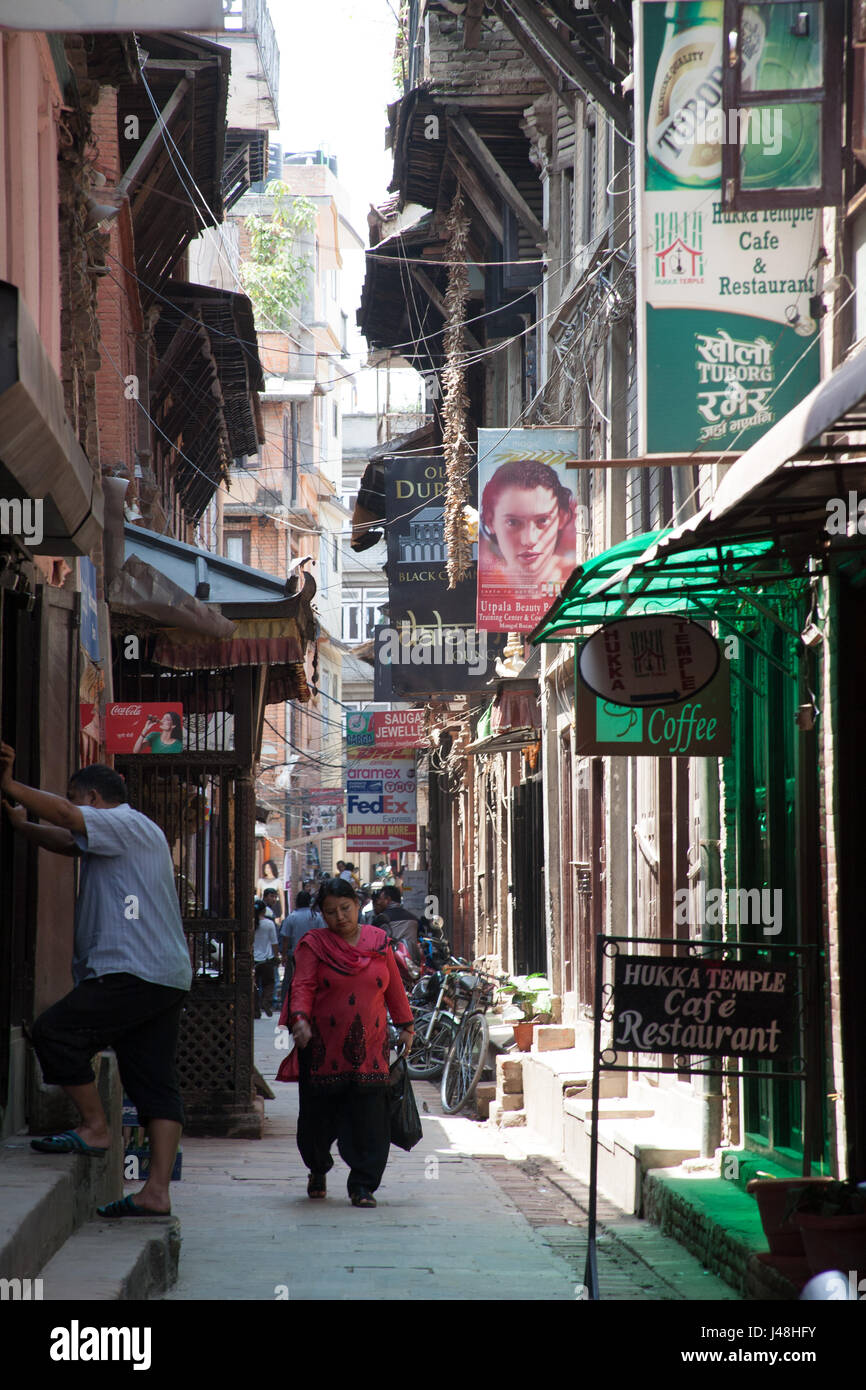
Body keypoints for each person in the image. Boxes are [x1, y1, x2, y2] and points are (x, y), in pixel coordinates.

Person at [0, 747, 190, 1218]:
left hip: (131, 969)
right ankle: (156, 1193)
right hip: (163, 975)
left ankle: (95, 1127)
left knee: (53, 1032)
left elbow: (67, 818)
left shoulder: (124, 821)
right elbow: (66, 841)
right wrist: (24, 826)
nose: (69, 808)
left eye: (74, 799)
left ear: (92, 797)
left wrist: (8, 784)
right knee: (155, 1085)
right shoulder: (132, 834)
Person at [277, 877, 414, 1208]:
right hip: (323, 1048)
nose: (340, 917)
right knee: (317, 1120)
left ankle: (363, 1185)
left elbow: (394, 986)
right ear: (322, 915)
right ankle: (318, 1167)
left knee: (370, 1119)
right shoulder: (314, 944)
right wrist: (300, 1020)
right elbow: (304, 985)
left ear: (357, 904)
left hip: (372, 1046)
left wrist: (406, 1025)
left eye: (346, 908)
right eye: (331, 912)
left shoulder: (379, 941)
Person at [479, 457, 576, 591]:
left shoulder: (580, 579)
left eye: (542, 520)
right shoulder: (488, 584)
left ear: (562, 518)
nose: (529, 540)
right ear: (490, 522)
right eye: (513, 522)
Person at [277, 890, 323, 1004]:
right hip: (313, 953)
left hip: (295, 954)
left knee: (290, 979)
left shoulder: (292, 917)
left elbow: (286, 938)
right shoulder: (316, 917)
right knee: (312, 978)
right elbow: (322, 935)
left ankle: (286, 1002)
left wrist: (283, 955)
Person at [373, 885, 421, 965]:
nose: (378, 902)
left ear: (387, 899)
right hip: (413, 963)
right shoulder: (413, 918)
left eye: (381, 899)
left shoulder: (381, 918)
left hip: (391, 963)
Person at [253, 899, 279, 1019]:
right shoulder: (269, 924)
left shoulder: (250, 923)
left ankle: (255, 1009)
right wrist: (276, 956)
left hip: (253, 960)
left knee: (254, 985)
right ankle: (266, 1001)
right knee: (269, 983)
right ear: (264, 910)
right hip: (267, 959)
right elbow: (274, 942)